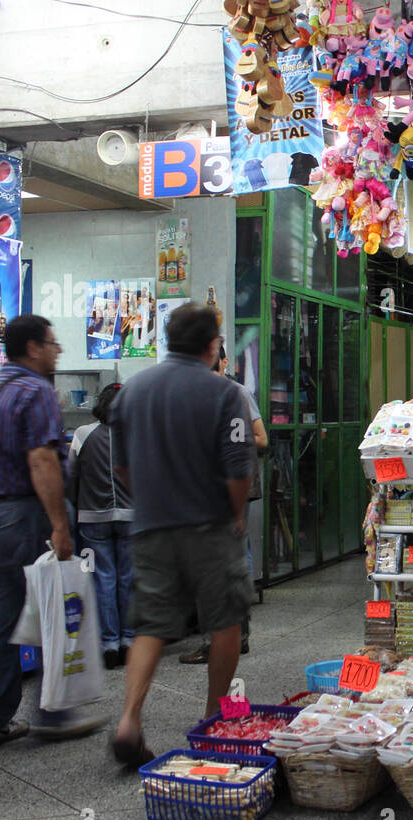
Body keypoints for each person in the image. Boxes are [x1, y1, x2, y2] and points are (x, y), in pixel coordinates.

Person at [109, 304, 255, 766]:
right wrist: (235, 514)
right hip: (209, 526)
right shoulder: (225, 393)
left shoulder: (130, 393)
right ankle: (214, 716)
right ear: (213, 346)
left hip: (151, 527)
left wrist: (153, 500)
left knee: (151, 625)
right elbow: (238, 469)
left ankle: (129, 718)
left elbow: (121, 466)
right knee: (224, 619)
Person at [0, 315, 102, 752]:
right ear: (32, 348)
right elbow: (42, 461)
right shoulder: (35, 391)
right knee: (54, 608)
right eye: (53, 344)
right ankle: (54, 714)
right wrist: (60, 526)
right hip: (20, 515)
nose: (57, 351)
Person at [181, 344, 267, 664]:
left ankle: (224, 639)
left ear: (224, 361)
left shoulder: (237, 393)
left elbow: (261, 439)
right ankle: (230, 637)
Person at [68, 383, 134, 670]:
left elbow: (70, 478)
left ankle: (109, 643)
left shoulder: (83, 434)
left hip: (92, 519)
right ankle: (129, 640)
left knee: (103, 580)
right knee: (128, 579)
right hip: (132, 518)